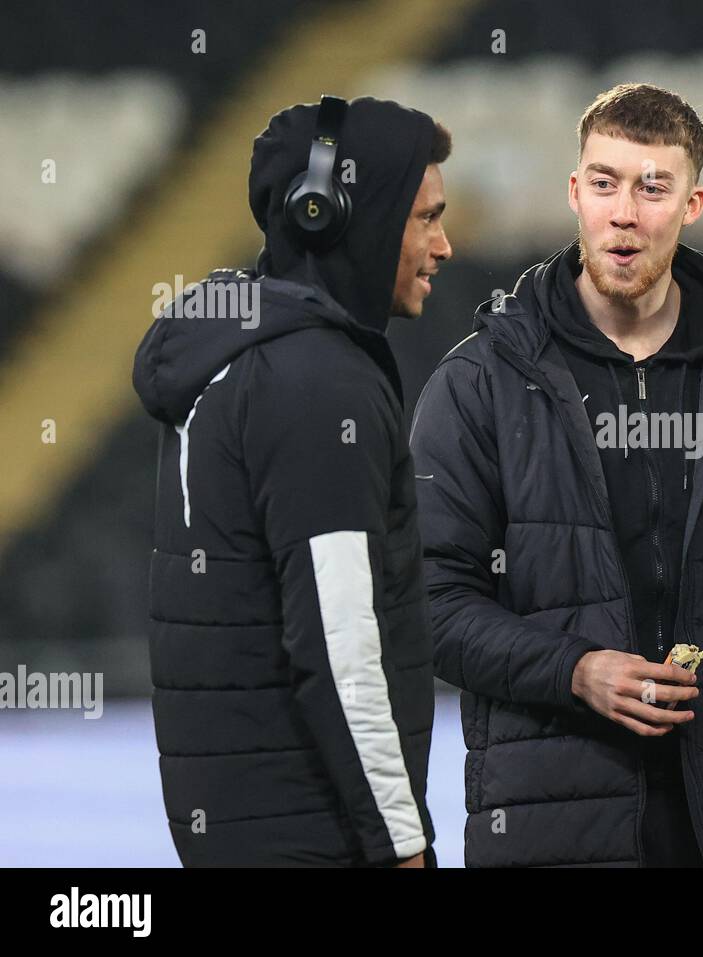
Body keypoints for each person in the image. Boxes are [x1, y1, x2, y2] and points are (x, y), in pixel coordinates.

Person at [411, 82, 703, 867]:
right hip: (555, 837)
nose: (626, 212)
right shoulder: (480, 381)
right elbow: (429, 604)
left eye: (654, 187)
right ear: (575, 192)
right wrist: (575, 670)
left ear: (692, 204)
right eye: (607, 182)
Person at [131, 95, 453, 866]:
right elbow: (339, 646)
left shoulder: (247, 352)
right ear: (333, 214)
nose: (445, 244)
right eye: (425, 218)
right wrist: (404, 845)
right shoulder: (317, 382)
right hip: (315, 834)